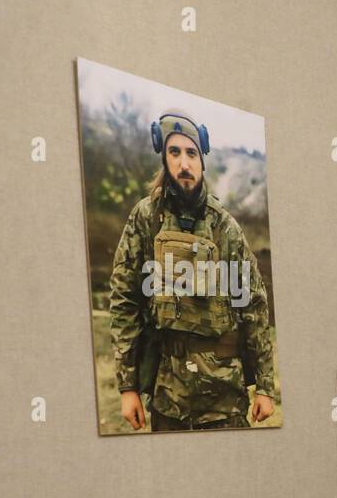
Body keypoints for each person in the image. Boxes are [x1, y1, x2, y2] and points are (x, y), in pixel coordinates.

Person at [108, 109, 279, 432]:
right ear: (164, 158)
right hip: (167, 396)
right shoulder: (147, 218)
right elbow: (124, 299)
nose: (184, 164)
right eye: (175, 152)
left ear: (202, 160)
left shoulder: (224, 226)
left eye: (191, 153)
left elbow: (254, 305)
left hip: (224, 398)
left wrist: (266, 388)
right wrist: (127, 386)